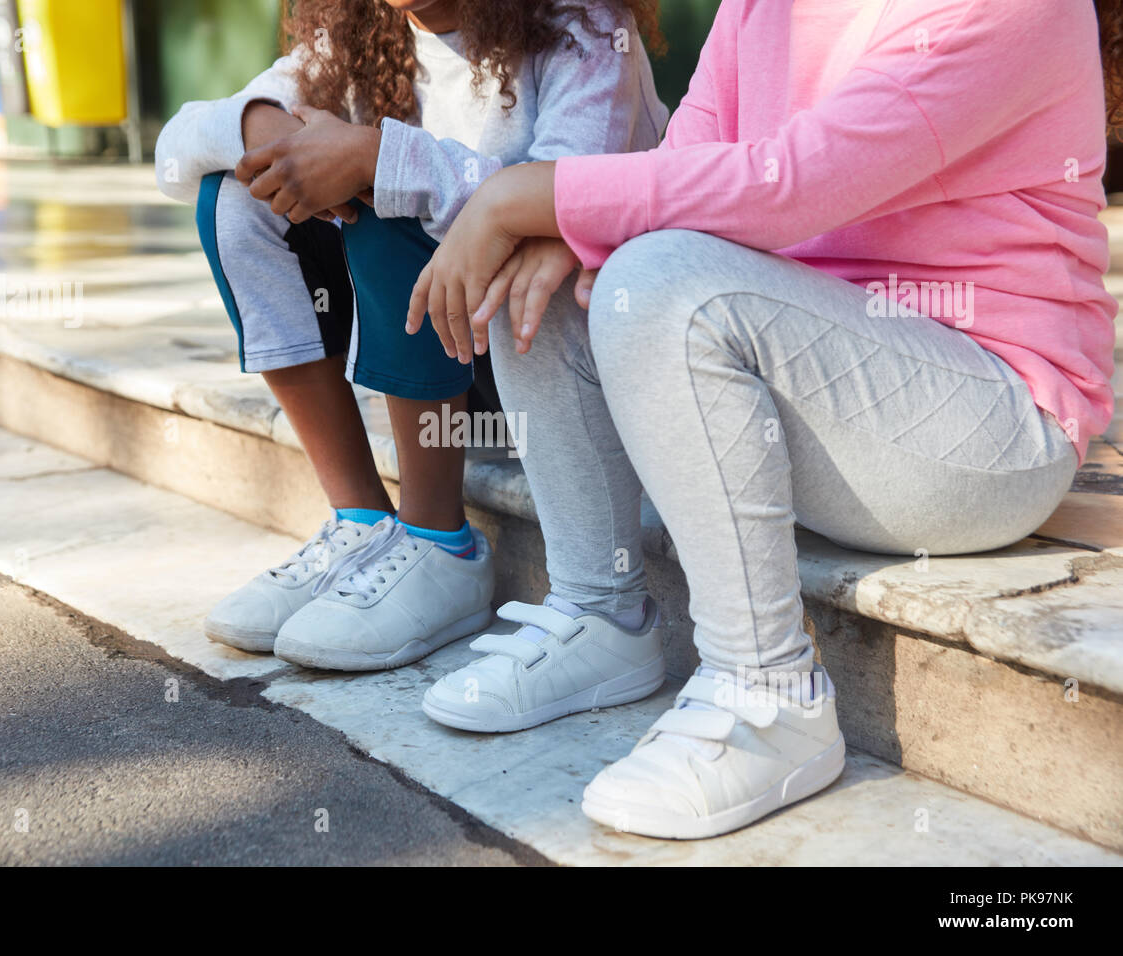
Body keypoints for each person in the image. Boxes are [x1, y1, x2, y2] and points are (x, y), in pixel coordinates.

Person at [410, 0, 1118, 838]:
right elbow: (690, 161)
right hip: (820, 374)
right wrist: (540, 220)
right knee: (544, 259)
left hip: (988, 423)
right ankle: (601, 613)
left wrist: (520, 198)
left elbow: (797, 181)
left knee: (641, 265)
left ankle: (768, 694)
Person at [154, 0, 667, 670]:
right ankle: (364, 522)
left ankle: (438, 542)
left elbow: (572, 189)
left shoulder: (584, 28)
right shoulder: (360, 36)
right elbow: (175, 151)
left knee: (381, 185)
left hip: (568, 373)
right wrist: (264, 125)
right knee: (234, 193)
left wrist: (374, 155)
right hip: (458, 370)